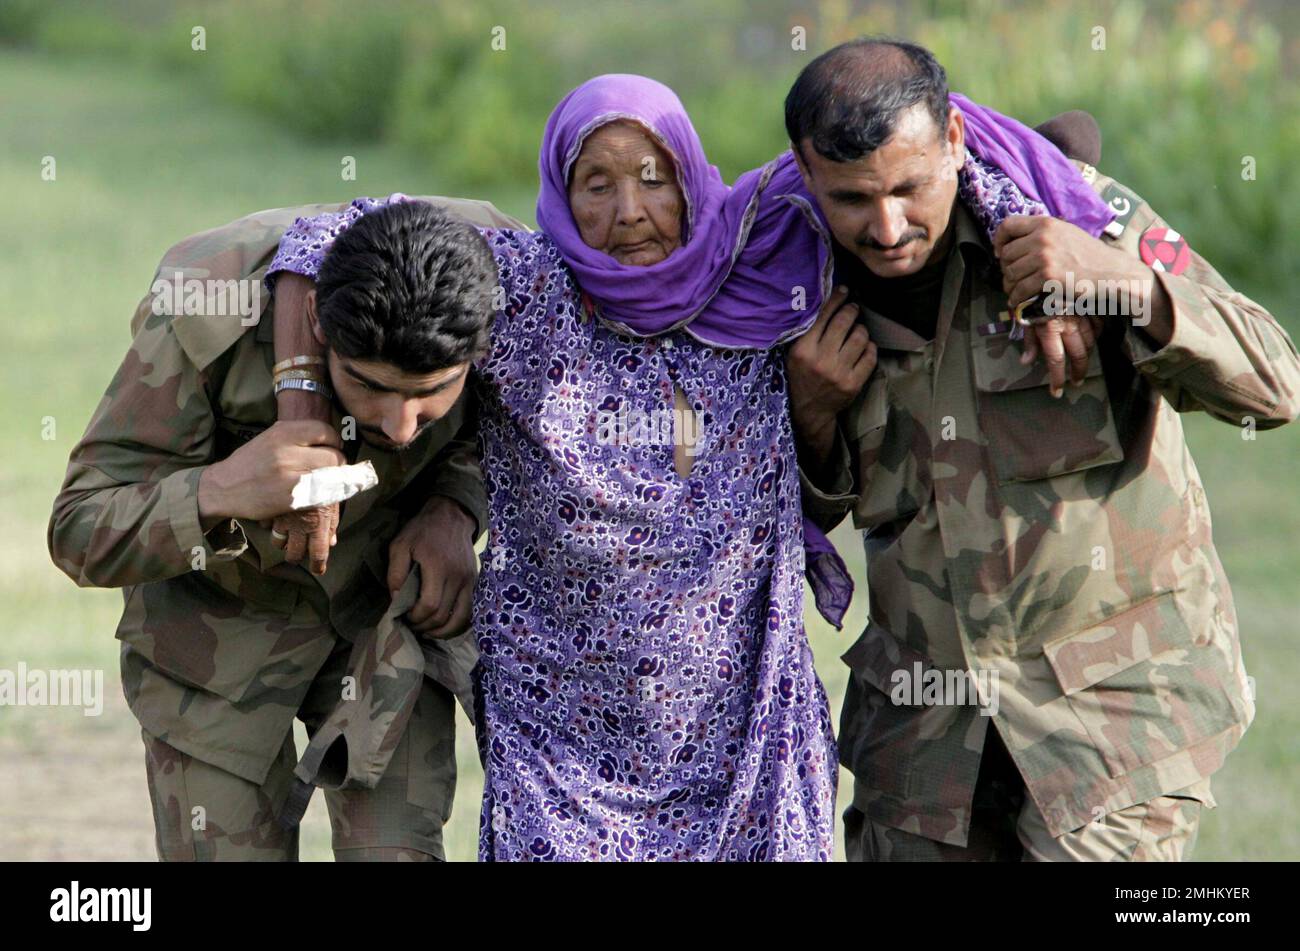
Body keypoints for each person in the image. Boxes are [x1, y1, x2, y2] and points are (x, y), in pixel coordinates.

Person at [265, 73, 1101, 860]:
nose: (630, 211)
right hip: (562, 742)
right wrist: (303, 412)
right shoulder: (517, 291)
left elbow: (944, 155)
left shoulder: (763, 258)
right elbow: (316, 236)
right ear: (560, 188)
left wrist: (1043, 272)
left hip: (748, 727)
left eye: (655, 177)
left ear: (692, 175)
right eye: (596, 184)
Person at [785, 37, 1300, 861]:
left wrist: (1122, 280)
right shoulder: (783, 286)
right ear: (805, 174)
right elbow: (777, 523)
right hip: (927, 742)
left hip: (1113, 721)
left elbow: (1275, 382)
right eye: (852, 197)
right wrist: (810, 414)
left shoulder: (1077, 214)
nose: (886, 226)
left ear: (954, 139)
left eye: (910, 187)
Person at [48, 201, 504, 860]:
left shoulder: (496, 282)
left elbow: (534, 424)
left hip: (382, 630)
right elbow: (78, 526)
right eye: (370, 386)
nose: (402, 425)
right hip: (216, 645)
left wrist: (455, 508)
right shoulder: (204, 314)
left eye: (432, 392)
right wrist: (223, 487)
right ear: (318, 325)